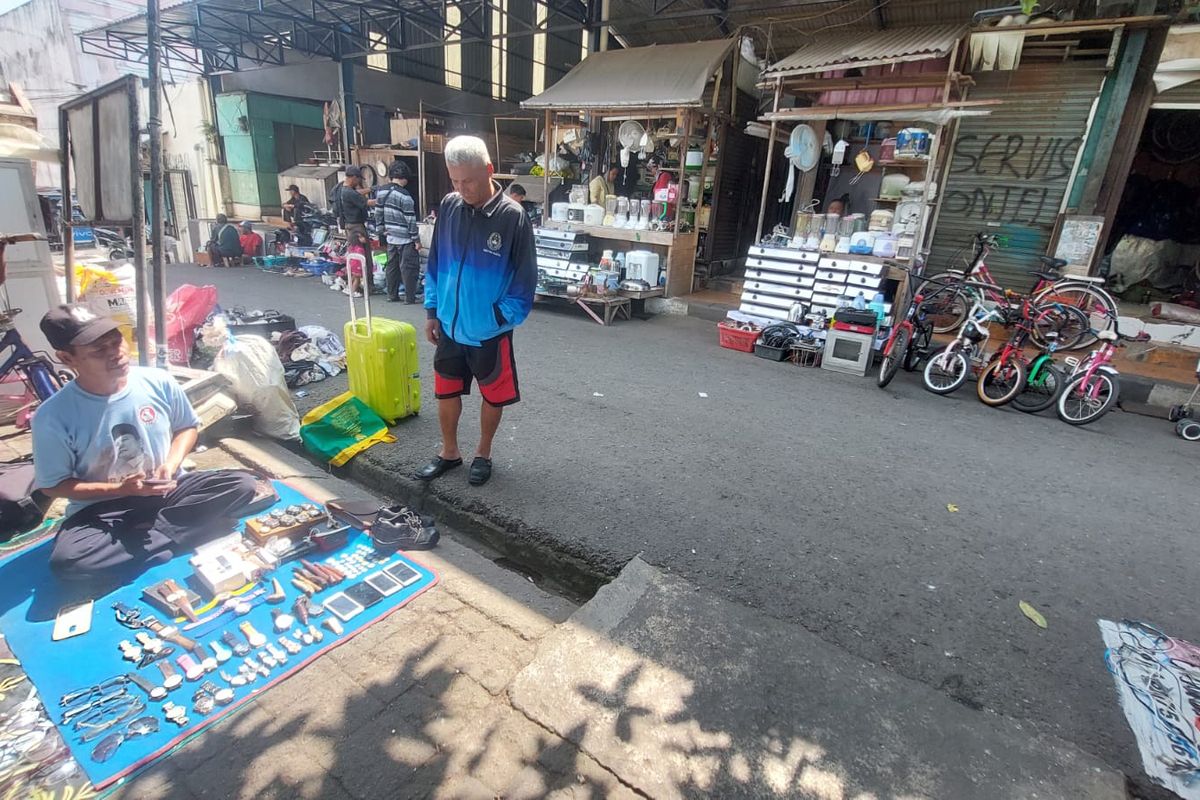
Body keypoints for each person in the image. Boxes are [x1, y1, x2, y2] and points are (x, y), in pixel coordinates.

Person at [31, 304, 257, 585]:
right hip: (103, 508)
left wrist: (171, 464)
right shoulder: (52, 415)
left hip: (168, 491)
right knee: (70, 562)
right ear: (67, 358)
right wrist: (121, 489)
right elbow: (52, 485)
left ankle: (145, 545)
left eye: (117, 342)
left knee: (243, 484)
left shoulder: (157, 381)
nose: (116, 353)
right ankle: (184, 533)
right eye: (99, 351)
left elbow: (187, 427)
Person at [417, 135, 536, 488]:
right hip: (450, 327)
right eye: (454, 180)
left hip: (488, 331)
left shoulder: (513, 218)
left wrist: (497, 318)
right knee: (446, 391)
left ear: (488, 170)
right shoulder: (450, 206)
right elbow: (436, 262)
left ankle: (483, 453)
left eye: (467, 180)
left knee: (492, 394)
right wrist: (432, 310)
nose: (461, 188)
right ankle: (450, 452)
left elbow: (525, 281)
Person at [374, 162, 421, 304]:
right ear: (404, 178)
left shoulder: (381, 191)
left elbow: (378, 212)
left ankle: (392, 295)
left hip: (390, 237)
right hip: (405, 238)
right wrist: (416, 240)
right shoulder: (405, 196)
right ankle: (409, 298)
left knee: (391, 267)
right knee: (408, 268)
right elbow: (411, 220)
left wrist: (381, 230)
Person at [330, 166, 377, 293]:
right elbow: (367, 203)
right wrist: (384, 198)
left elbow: (357, 194)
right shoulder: (349, 192)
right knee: (364, 256)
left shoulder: (341, 189)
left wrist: (370, 189)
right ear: (353, 178)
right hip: (356, 227)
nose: (358, 183)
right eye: (358, 180)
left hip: (349, 226)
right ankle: (365, 287)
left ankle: (353, 283)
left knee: (354, 255)